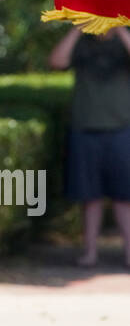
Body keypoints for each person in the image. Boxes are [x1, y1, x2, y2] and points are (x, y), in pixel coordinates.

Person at [50, 26, 130, 268]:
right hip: (84, 129)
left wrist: (119, 28)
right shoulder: (82, 42)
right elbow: (56, 61)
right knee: (90, 198)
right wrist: (77, 29)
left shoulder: (122, 41)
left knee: (124, 198)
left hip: (121, 129)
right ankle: (90, 253)